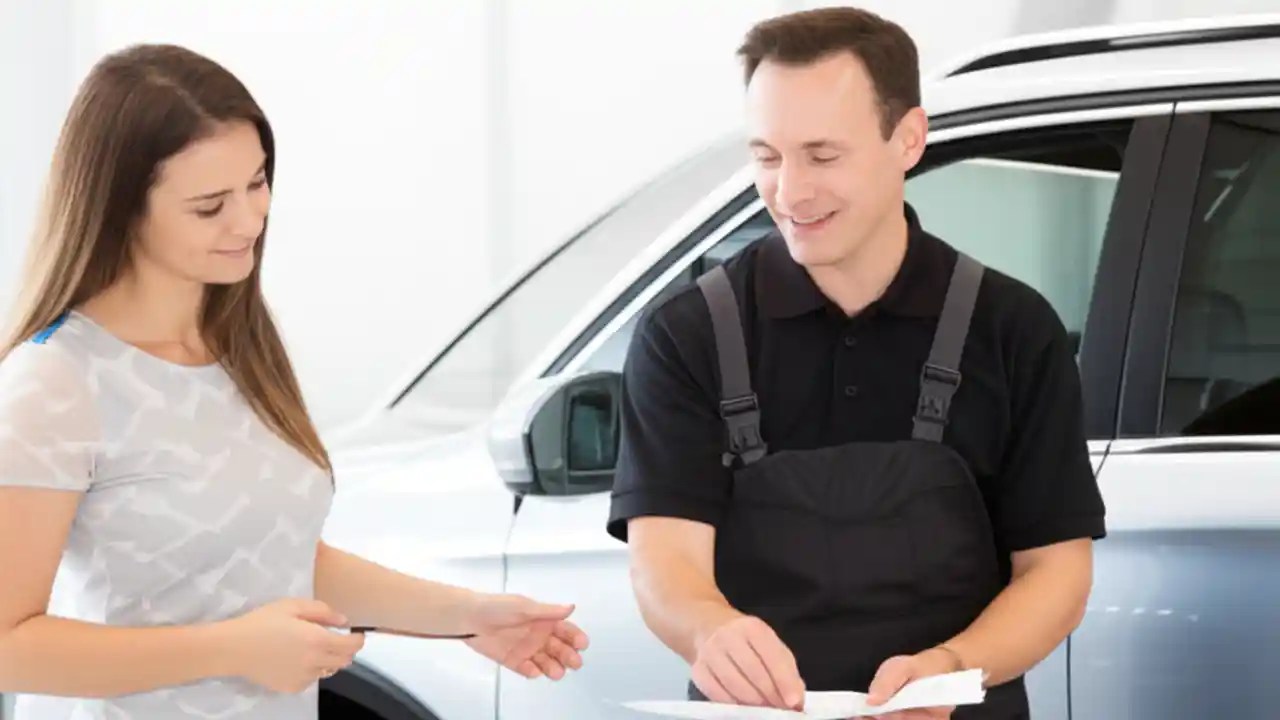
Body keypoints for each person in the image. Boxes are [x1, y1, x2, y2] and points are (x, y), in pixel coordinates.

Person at [0, 44, 588, 720]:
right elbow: (8, 644)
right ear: (120, 207)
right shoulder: (55, 382)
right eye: (209, 205)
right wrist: (233, 650)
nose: (250, 220)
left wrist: (468, 616)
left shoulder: (238, 348)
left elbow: (272, 553)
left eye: (257, 183)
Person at [607, 8, 1104, 720]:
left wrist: (951, 669)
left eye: (822, 155)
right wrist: (708, 630)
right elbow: (666, 566)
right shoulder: (685, 336)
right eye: (768, 156)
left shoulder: (1013, 330)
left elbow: (1057, 573)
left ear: (908, 138)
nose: (789, 192)